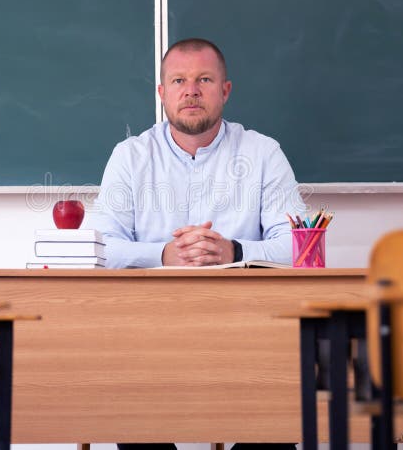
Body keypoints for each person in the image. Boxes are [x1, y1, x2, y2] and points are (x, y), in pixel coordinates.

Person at [94, 38, 301, 450]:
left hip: (248, 333)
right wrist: (164, 255)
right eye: (179, 80)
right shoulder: (130, 156)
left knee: (275, 420)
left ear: (225, 91)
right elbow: (101, 249)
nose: (191, 90)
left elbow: (299, 249)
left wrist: (235, 252)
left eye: (204, 79)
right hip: (151, 333)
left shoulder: (263, 153)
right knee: (134, 416)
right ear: (162, 93)